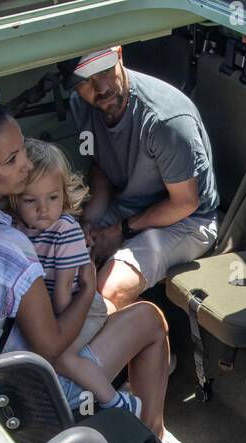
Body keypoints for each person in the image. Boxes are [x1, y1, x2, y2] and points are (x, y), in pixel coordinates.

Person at [0, 84, 200, 443]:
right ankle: (150, 440)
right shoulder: (6, 246)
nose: (25, 164)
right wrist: (87, 287)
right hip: (32, 391)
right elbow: (51, 348)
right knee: (149, 319)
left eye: (22, 148)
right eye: (11, 159)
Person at [64, 46, 219, 309]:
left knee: (107, 293)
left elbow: (185, 202)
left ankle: (114, 346)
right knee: (61, 259)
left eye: (104, 70)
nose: (100, 88)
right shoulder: (83, 105)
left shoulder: (164, 120)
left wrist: (119, 231)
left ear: (119, 55)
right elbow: (100, 166)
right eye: (85, 81)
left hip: (188, 221)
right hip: (127, 206)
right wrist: (88, 224)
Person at [10, 138, 140, 416]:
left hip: (80, 307)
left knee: (59, 356)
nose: (43, 209)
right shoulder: (19, 229)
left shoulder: (65, 231)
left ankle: (117, 402)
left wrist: (54, 329)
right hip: (52, 309)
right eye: (30, 200)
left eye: (53, 198)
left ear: (64, 196)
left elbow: (63, 290)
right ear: (15, 199)